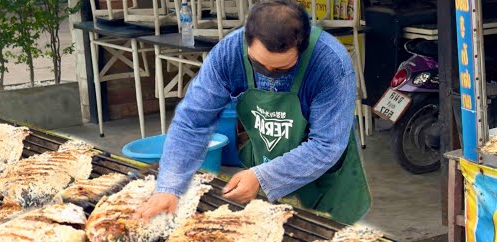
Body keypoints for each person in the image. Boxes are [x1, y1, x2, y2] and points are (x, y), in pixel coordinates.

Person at [136, 0, 370, 225]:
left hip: (325, 181)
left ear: (302, 46)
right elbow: (193, 122)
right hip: (267, 158)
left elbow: (326, 145)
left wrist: (262, 177)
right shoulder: (228, 54)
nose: (269, 74)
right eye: (259, 66)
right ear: (247, 41)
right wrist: (169, 186)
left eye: (281, 69)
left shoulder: (331, 63)